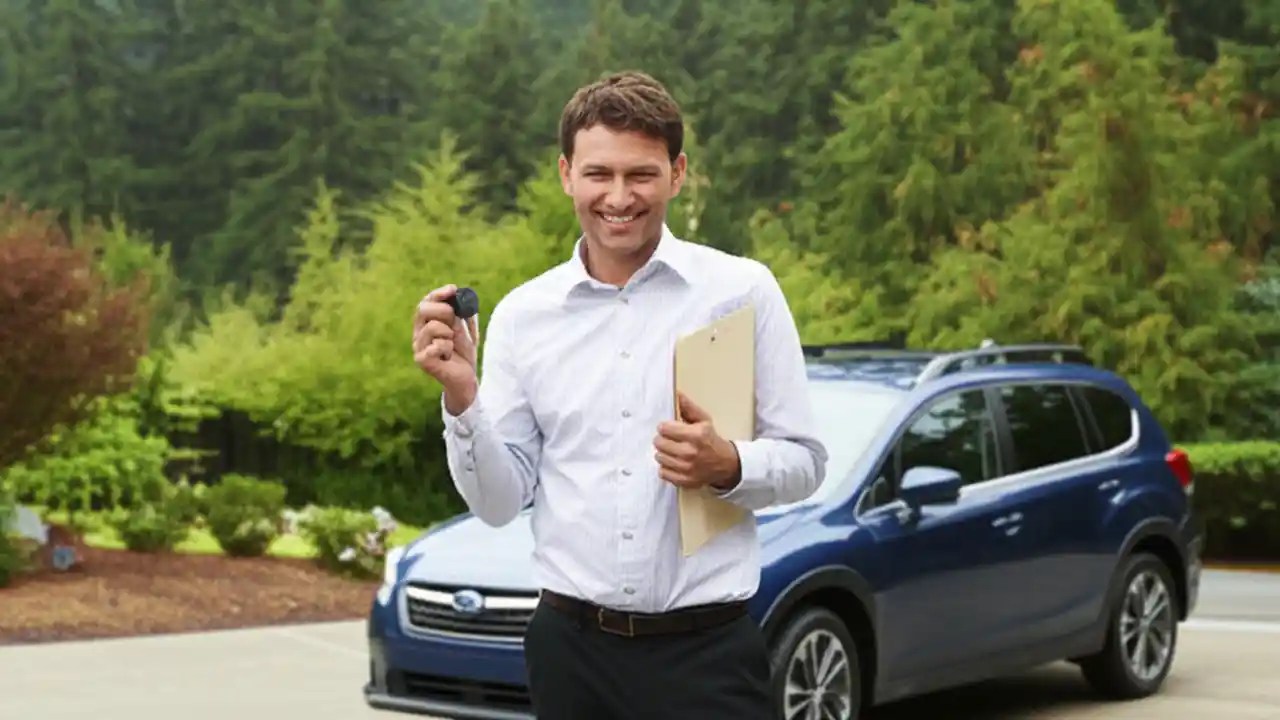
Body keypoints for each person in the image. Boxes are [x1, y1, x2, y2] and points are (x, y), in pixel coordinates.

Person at [411, 70, 828, 720]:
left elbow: (805, 461)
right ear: (566, 174)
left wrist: (729, 465)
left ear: (678, 172)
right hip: (570, 654)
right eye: (599, 174)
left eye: (641, 175)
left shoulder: (742, 291)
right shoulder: (526, 315)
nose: (618, 196)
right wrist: (464, 400)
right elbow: (498, 503)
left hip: (710, 652)